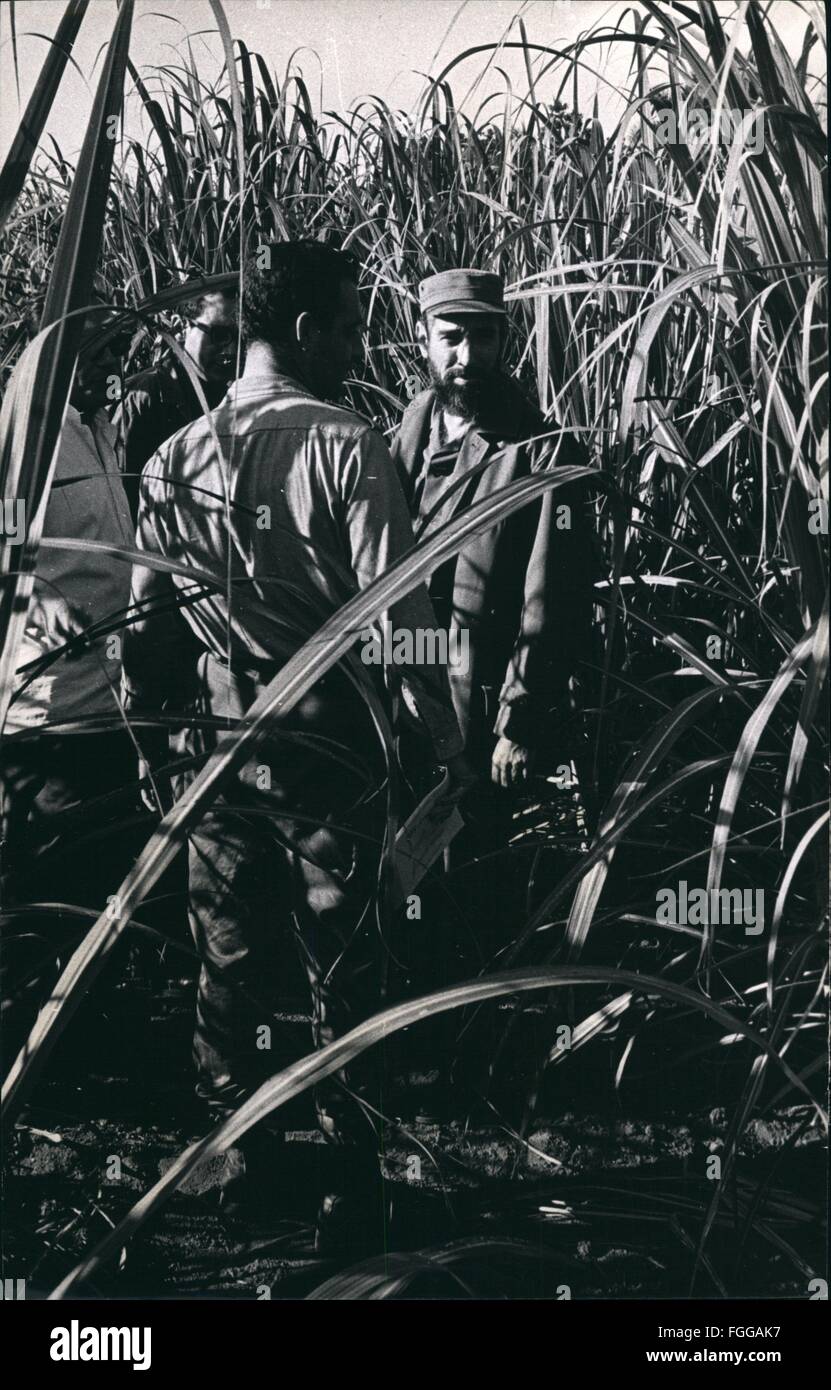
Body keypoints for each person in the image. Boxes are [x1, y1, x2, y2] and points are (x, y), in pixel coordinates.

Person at [121, 241, 468, 1250]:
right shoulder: (349, 447)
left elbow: (147, 632)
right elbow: (402, 624)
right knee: (340, 961)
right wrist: (443, 746)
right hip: (332, 758)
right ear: (311, 331)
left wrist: (154, 745)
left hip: (222, 758)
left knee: (232, 955)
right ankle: (352, 1179)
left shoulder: (174, 457)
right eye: (352, 323)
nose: (360, 341)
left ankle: (248, 1160)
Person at [391, 269, 594, 969]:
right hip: (405, 700)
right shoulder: (397, 443)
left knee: (477, 884)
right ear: (422, 339)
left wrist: (521, 722)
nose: (467, 356)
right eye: (450, 337)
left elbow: (553, 601)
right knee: (406, 875)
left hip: (481, 709)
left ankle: (477, 1033)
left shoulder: (540, 451)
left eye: (483, 336)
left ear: (504, 339)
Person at [0, 310, 140, 1061]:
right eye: (103, 347)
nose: (115, 360)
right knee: (38, 884)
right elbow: (2, 536)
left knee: (94, 882)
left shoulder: (102, 428)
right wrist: (37, 599)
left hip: (107, 700)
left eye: (120, 345)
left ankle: (76, 1035)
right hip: (43, 711)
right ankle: (22, 1046)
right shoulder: (28, 435)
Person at [114, 289, 237, 517]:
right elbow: (120, 499)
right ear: (181, 328)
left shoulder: (236, 398)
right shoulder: (144, 397)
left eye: (239, 337)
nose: (230, 350)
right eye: (219, 335)